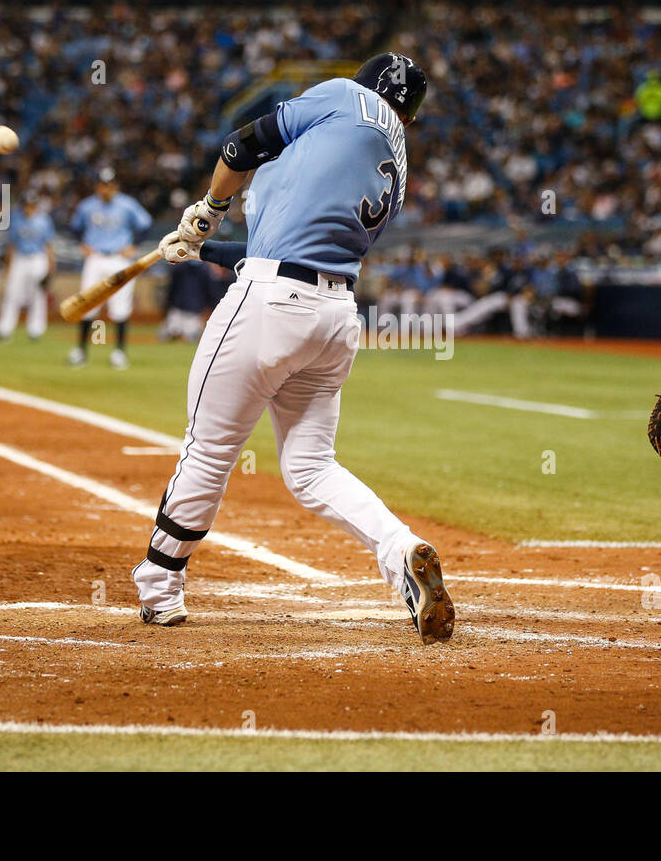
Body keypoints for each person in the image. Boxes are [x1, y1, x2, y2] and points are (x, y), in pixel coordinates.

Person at [138, 53, 455, 644]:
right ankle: (402, 549)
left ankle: (160, 585)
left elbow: (240, 145)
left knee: (209, 449)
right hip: (334, 318)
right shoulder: (396, 161)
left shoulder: (340, 96)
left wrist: (208, 210)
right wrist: (201, 250)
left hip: (269, 305)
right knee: (311, 467)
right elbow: (293, 251)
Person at [67, 168, 152, 369]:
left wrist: (133, 246)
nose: (106, 188)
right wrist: (83, 245)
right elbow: (74, 227)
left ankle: (119, 353)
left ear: (116, 186)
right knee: (87, 303)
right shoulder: (88, 206)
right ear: (98, 185)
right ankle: (80, 352)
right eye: (103, 184)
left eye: (110, 184)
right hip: (95, 258)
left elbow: (145, 225)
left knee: (120, 306)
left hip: (118, 260)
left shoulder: (126, 204)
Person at [0, 192, 55, 342]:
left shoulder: (44, 220)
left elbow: (49, 245)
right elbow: (11, 245)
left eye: (32, 205)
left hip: (37, 258)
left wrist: (51, 267)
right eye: (27, 204)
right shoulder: (16, 219)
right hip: (20, 258)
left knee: (38, 295)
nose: (29, 207)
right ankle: (4, 329)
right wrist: (8, 267)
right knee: (12, 293)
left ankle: (36, 331)